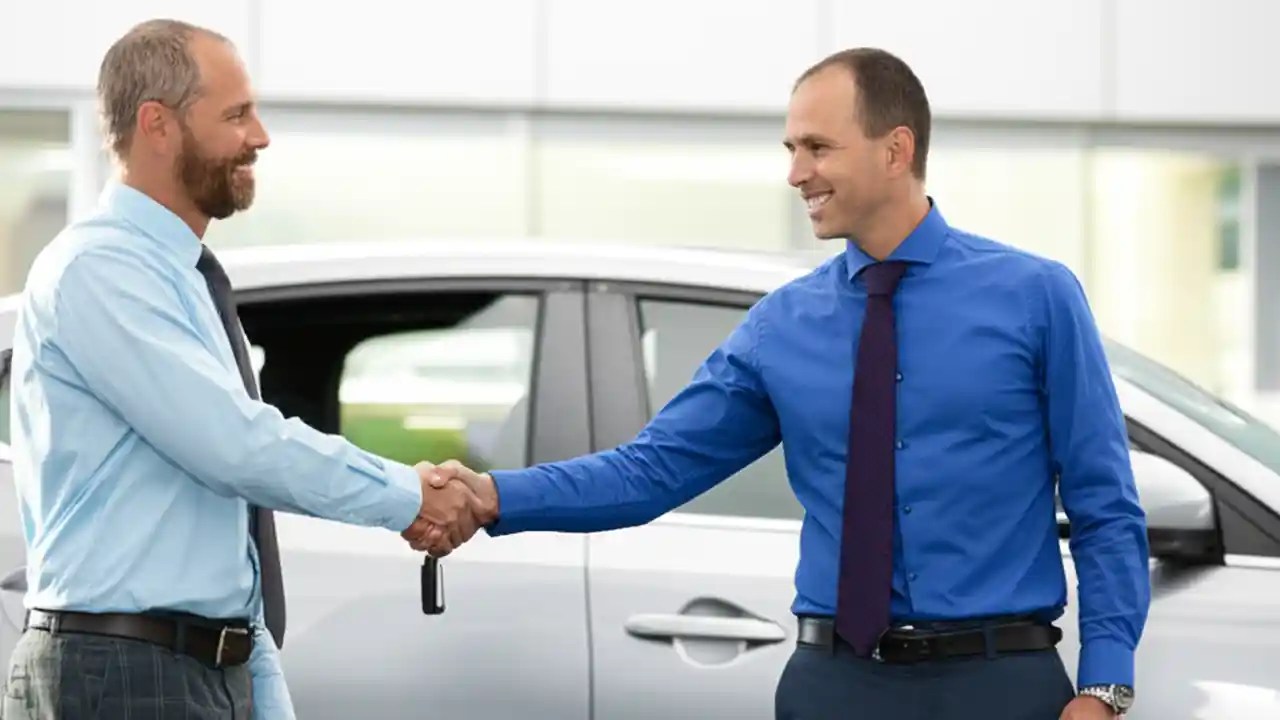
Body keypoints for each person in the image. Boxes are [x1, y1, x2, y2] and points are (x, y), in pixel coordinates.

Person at [420, 48, 1150, 720]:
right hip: (833, 687)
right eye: (792, 149)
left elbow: (1104, 503)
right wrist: (490, 497)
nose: (796, 173)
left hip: (1001, 685)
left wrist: (1104, 687)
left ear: (896, 149)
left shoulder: (1036, 296)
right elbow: (651, 470)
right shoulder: (781, 327)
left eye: (818, 147)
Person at [3, 19, 475, 719]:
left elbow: (224, 534)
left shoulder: (180, 276)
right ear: (157, 125)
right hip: (123, 674)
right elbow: (234, 444)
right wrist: (409, 495)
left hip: (189, 665)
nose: (260, 136)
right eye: (236, 114)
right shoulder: (99, 271)